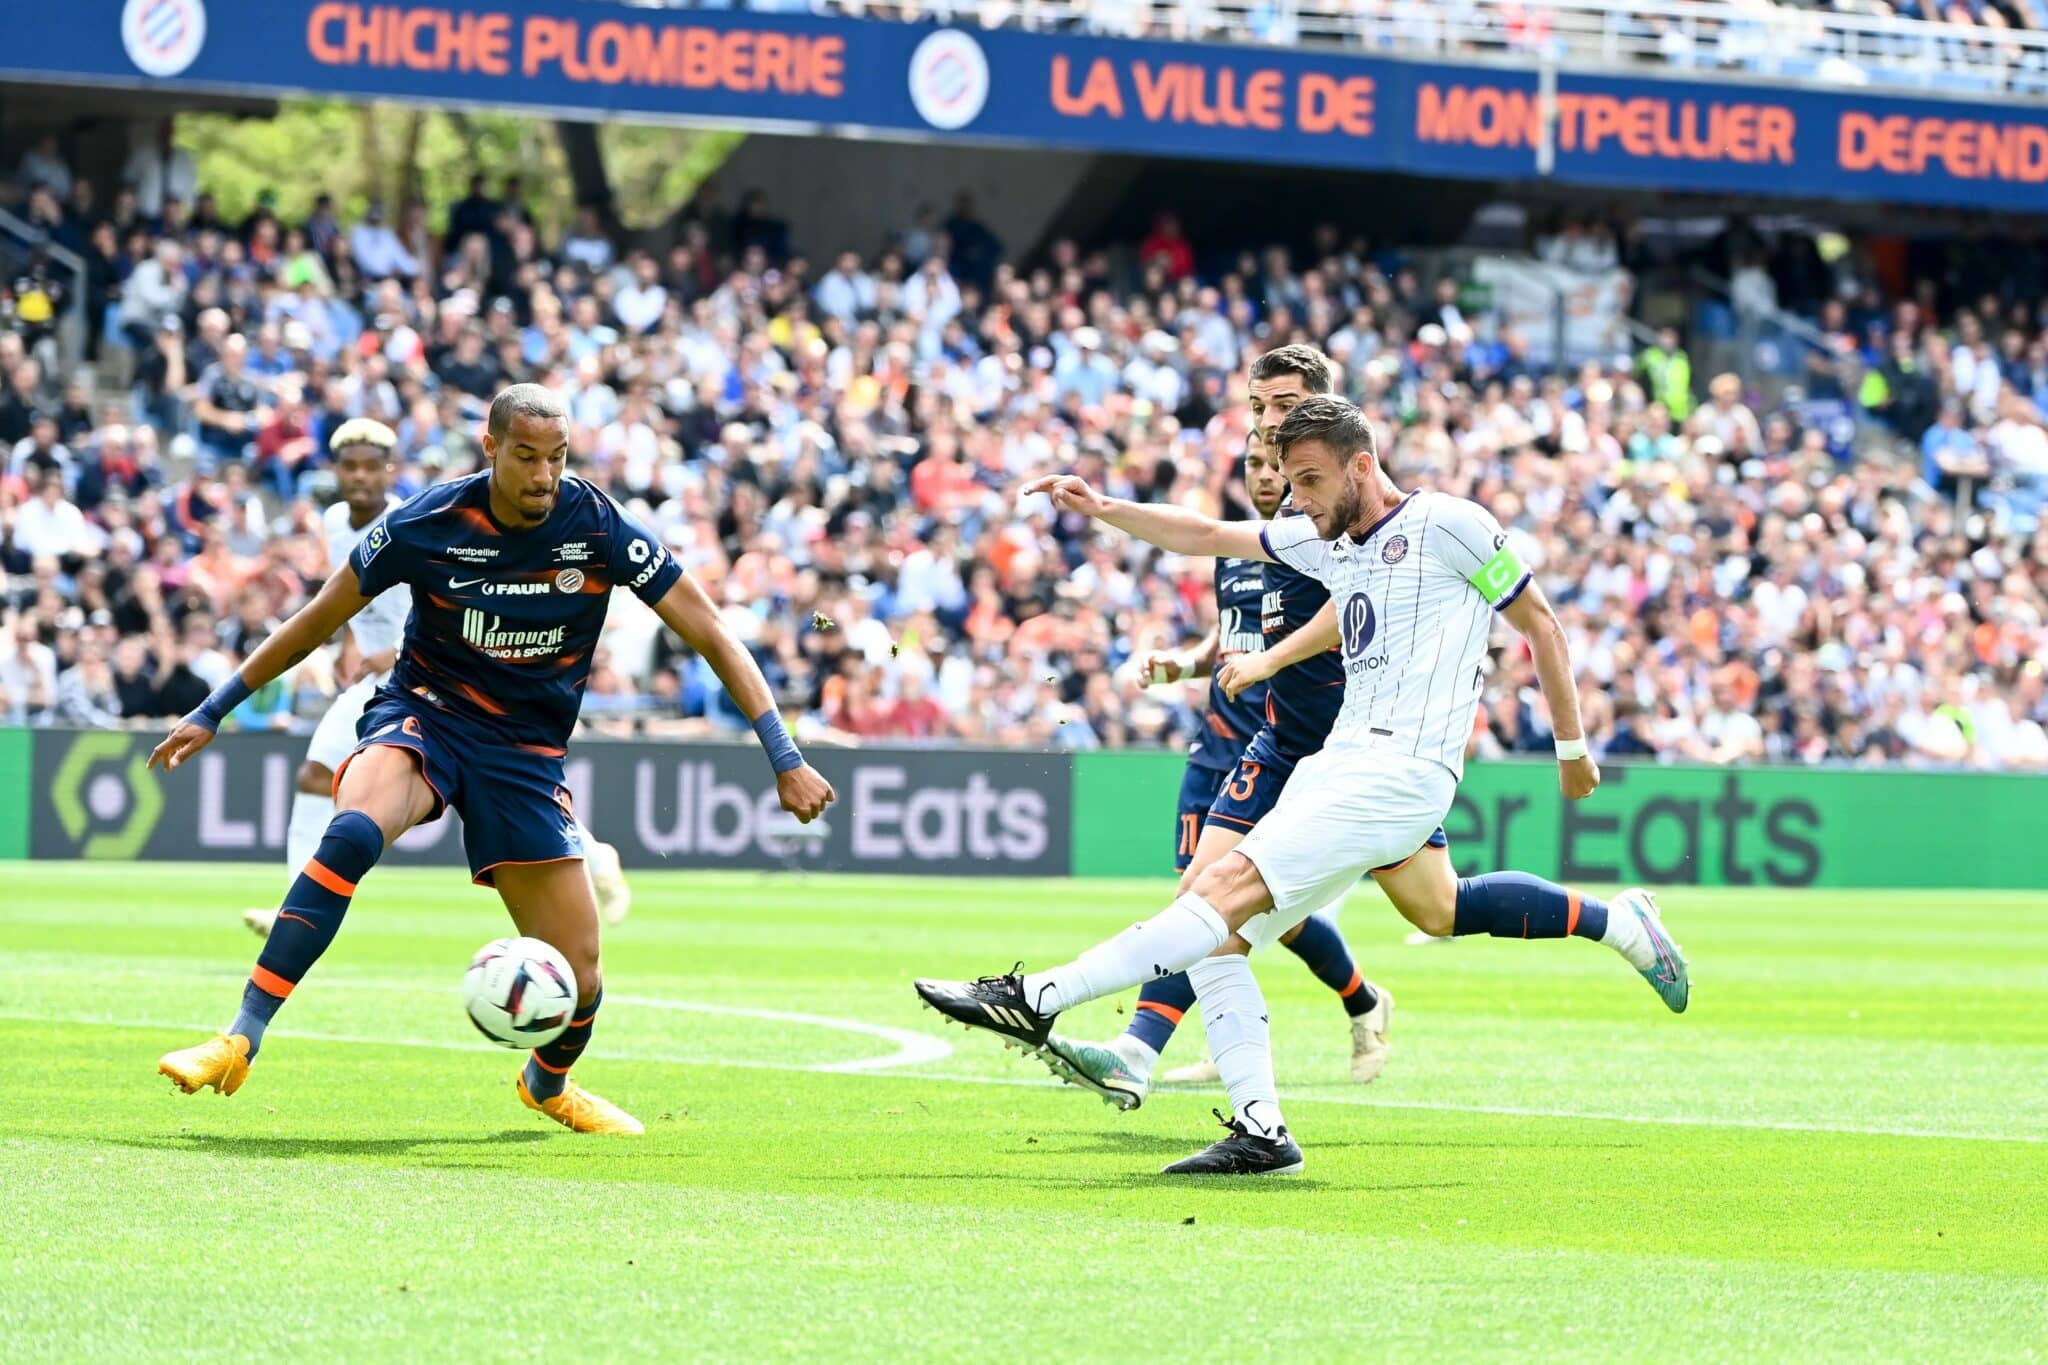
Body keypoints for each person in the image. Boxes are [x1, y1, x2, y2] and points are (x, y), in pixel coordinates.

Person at [917, 395, 1688, 1176]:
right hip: (1344, 762)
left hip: (1400, 772)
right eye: (1290, 480)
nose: (1299, 499)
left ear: (1361, 463)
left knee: (1220, 888)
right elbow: (1206, 534)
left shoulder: (1450, 523)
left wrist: (1571, 745)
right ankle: (1263, 1129)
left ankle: (1036, 996)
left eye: (1311, 480)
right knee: (1277, 928)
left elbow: (1541, 623)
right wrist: (1105, 506)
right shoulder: (1326, 540)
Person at [152, 385, 835, 1134]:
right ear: (491, 448)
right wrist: (213, 708)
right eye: (526, 456)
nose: (544, 475)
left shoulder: (597, 525)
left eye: (557, 457)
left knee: (580, 975)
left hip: (525, 756)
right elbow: (317, 617)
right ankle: (239, 1036)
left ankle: (546, 1084)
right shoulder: (427, 523)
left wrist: (784, 754)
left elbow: (710, 631)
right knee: (349, 832)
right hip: (427, 717)